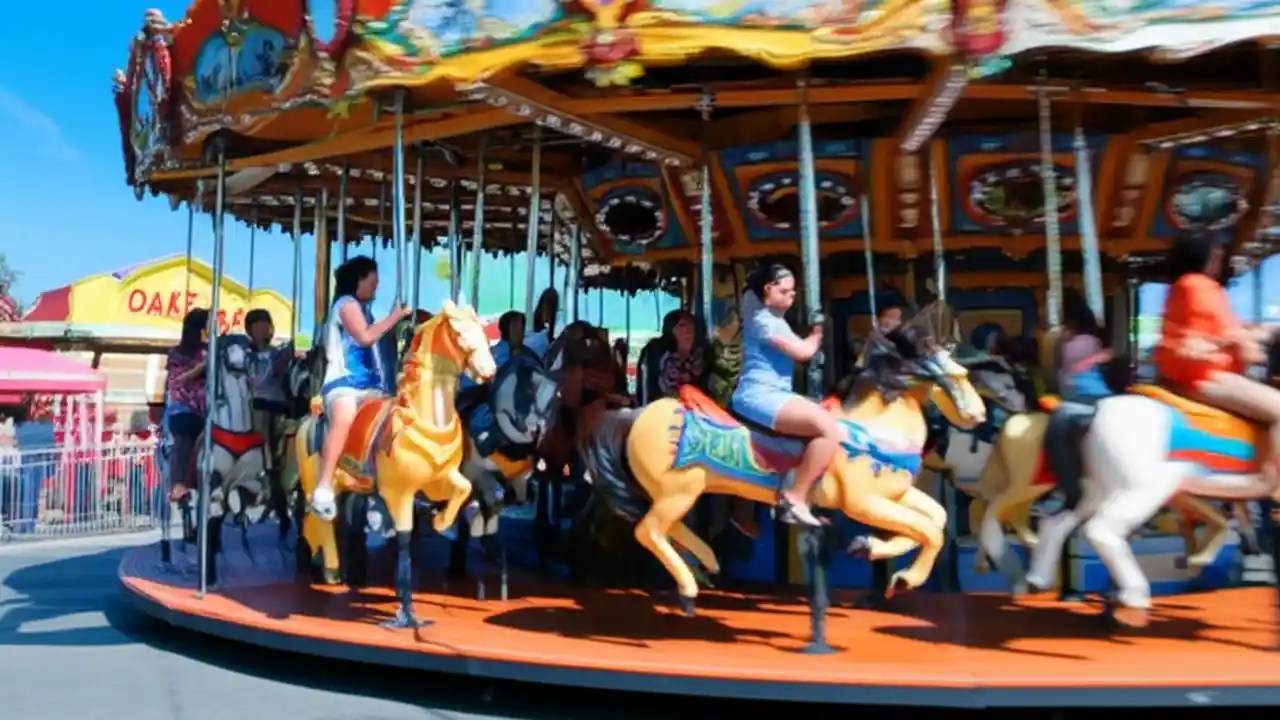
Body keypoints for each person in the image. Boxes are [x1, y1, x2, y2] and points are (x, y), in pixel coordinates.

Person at [1153, 230, 1279, 483]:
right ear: (1203, 257)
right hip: (1206, 375)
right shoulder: (1201, 286)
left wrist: (1252, 333)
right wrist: (1251, 343)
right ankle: (1272, 483)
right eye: (1216, 254)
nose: (1220, 260)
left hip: (1188, 372)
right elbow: (1234, 337)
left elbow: (1222, 328)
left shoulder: (1180, 286)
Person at [731, 263, 834, 528]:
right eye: (785, 290)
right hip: (760, 394)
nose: (792, 295)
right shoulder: (764, 321)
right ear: (768, 290)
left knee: (829, 415)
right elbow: (802, 353)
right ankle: (795, 498)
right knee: (826, 428)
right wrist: (817, 334)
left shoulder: (774, 320)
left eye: (793, 291)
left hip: (774, 393)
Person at [310, 256, 412, 521]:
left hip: (372, 387)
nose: (376, 286)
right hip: (344, 384)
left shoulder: (365, 310)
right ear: (359, 280)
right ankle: (323, 486)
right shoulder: (346, 305)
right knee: (343, 417)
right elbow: (365, 337)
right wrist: (395, 316)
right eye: (373, 281)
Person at [163, 309, 210, 501]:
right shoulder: (177, 354)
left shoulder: (210, 351)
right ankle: (178, 484)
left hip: (209, 408)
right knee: (184, 437)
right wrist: (204, 366)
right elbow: (181, 379)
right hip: (185, 407)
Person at [244, 309, 292, 472]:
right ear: (251, 329)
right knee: (261, 441)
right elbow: (258, 378)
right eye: (259, 325)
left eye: (266, 324)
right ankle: (263, 470)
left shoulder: (276, 352)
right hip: (258, 404)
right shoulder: (247, 354)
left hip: (278, 404)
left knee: (282, 443)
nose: (264, 328)